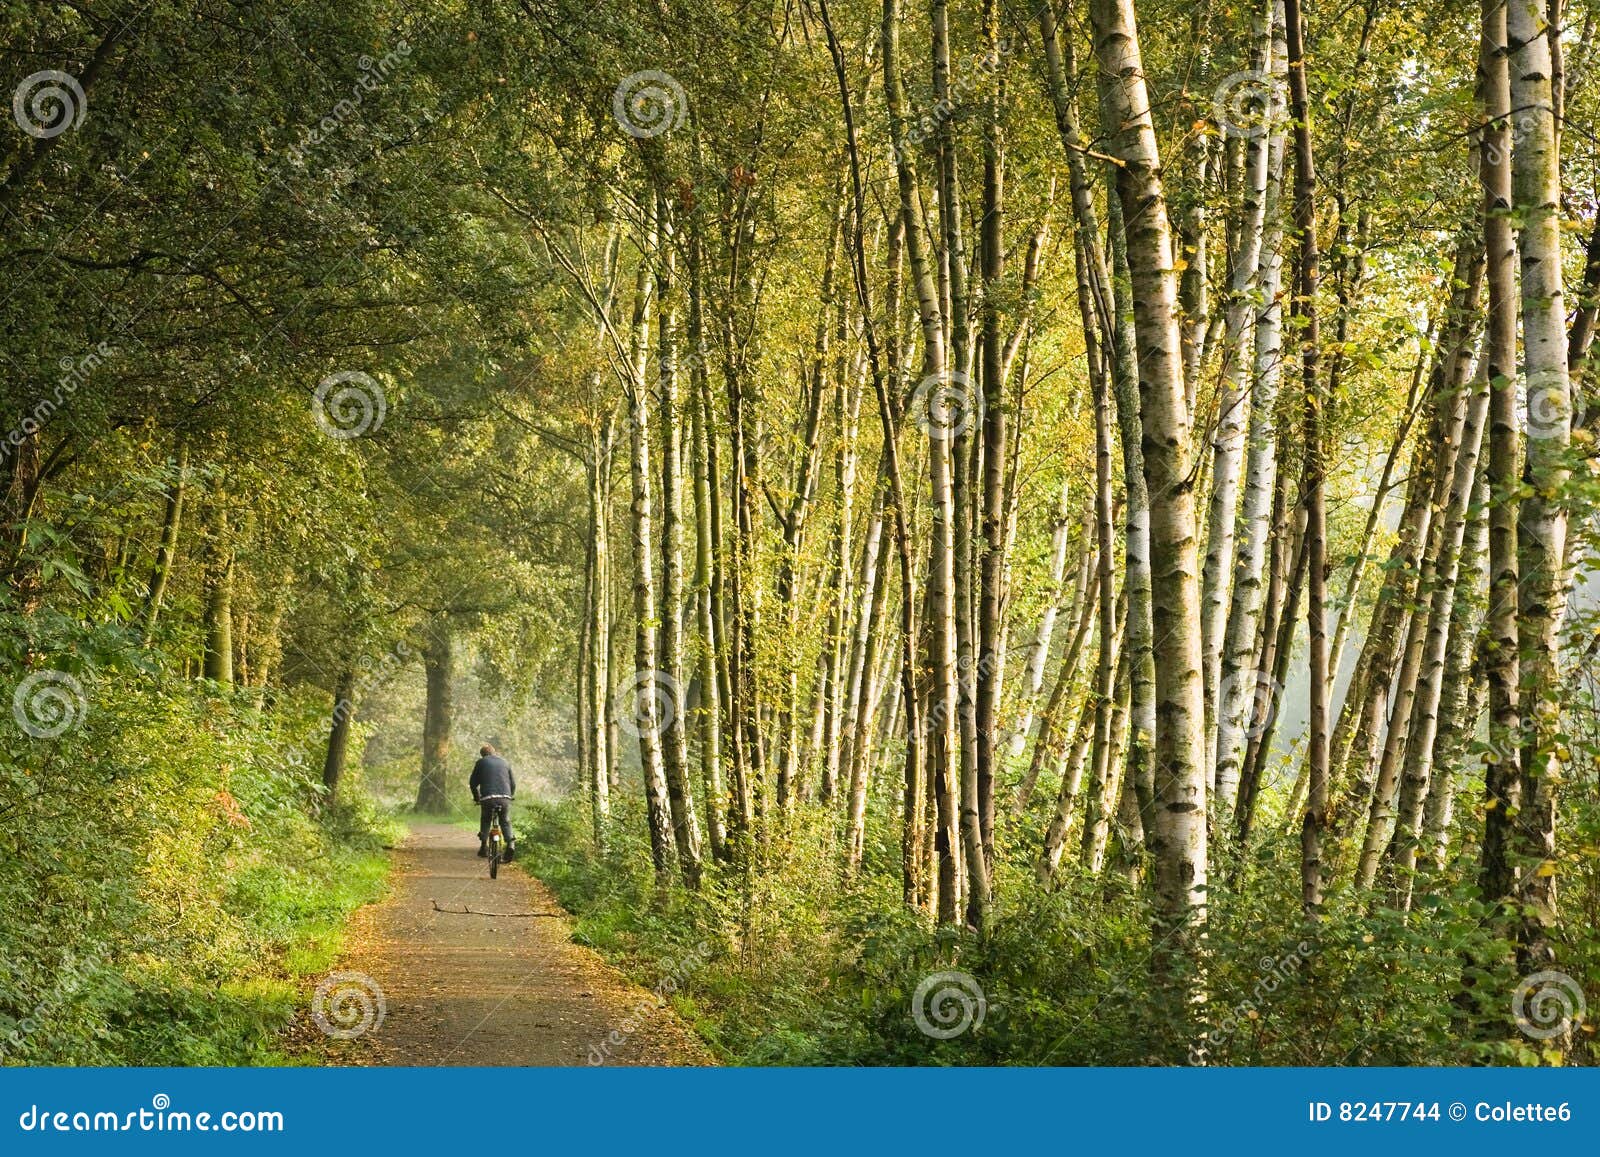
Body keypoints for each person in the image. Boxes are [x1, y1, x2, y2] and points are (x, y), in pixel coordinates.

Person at [469, 743, 516, 861]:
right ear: (494, 753)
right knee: (505, 821)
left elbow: (473, 783)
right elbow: (513, 783)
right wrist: (510, 796)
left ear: (482, 755)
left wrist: (476, 797)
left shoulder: (481, 763)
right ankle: (510, 844)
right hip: (505, 797)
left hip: (488, 798)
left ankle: (484, 846)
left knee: (486, 819)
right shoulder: (505, 762)